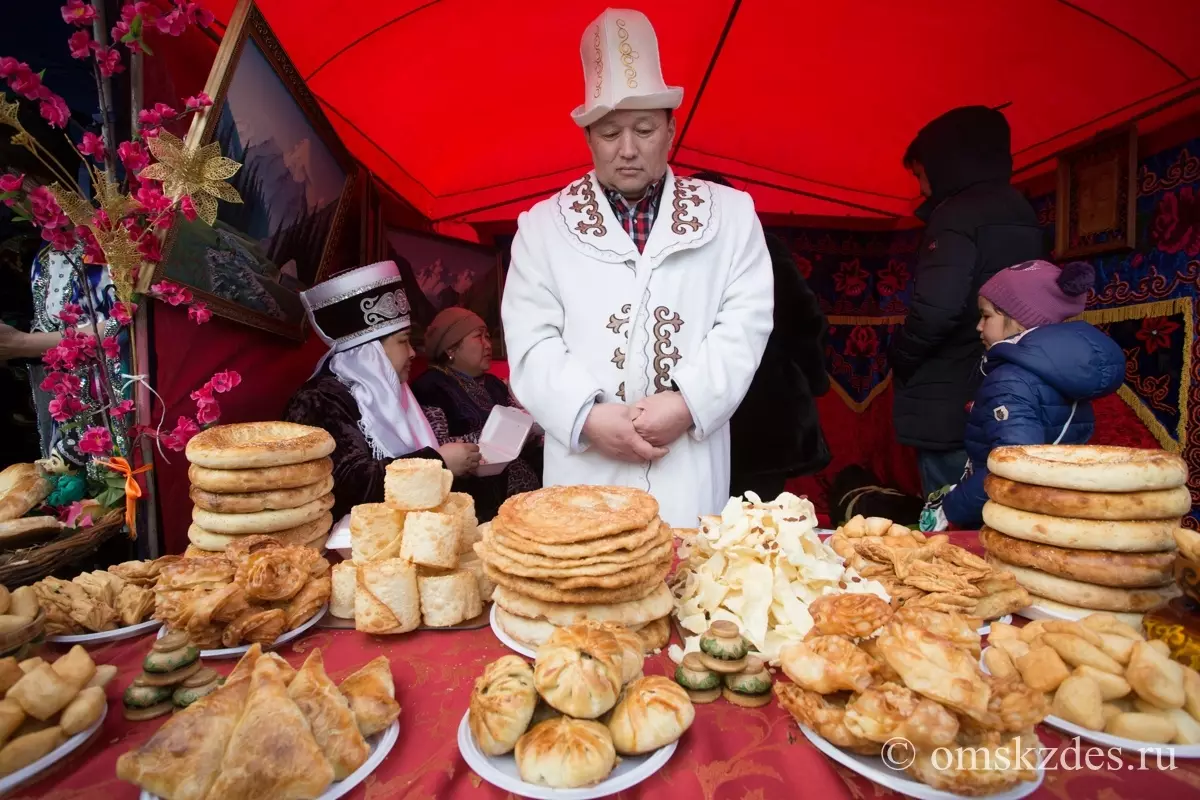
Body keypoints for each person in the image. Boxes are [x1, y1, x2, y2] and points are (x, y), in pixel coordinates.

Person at [501, 9, 773, 527]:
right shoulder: (541, 227)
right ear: (587, 138)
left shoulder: (732, 216)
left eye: (645, 129)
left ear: (671, 130)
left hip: (687, 458)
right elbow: (530, 342)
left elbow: (745, 324)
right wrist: (585, 416)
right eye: (609, 133)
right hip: (585, 462)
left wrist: (689, 403)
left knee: (689, 585)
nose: (628, 149)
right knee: (588, 589)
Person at [889, 106, 1045, 496]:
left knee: (947, 522)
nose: (922, 189)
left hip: (948, 397)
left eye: (921, 174)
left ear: (946, 164)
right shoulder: (1019, 208)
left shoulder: (956, 215)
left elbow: (937, 310)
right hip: (1005, 386)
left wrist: (901, 356)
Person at [921, 260, 1125, 531]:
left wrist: (951, 508)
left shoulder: (1011, 380)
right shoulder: (1056, 370)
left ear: (1018, 318)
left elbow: (1013, 468)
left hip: (1009, 517)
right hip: (1049, 511)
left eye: (986, 316)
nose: (979, 327)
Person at [285, 261, 480, 520]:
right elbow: (347, 486)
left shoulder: (393, 392)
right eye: (403, 341)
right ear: (370, 353)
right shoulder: (319, 401)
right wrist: (436, 464)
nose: (412, 352)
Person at [687, 171, 832, 501]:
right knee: (757, 530)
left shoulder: (675, 253)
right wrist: (812, 382)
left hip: (703, 413)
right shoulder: (763, 246)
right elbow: (806, 321)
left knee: (702, 526)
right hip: (766, 413)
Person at [410, 306, 542, 520]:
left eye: (488, 337)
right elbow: (435, 449)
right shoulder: (430, 387)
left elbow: (522, 421)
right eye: (478, 337)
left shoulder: (494, 384)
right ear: (451, 348)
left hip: (525, 498)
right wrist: (493, 437)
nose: (488, 345)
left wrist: (532, 428)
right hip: (477, 506)